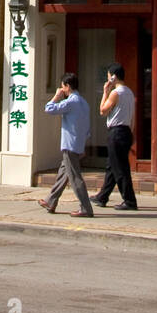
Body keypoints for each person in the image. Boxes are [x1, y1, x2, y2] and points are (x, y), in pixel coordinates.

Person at [39, 72, 94, 218]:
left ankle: (86, 208)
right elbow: (87, 126)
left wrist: (56, 96)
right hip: (78, 143)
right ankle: (50, 201)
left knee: (75, 177)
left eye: (62, 86)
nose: (61, 89)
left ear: (67, 86)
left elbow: (49, 109)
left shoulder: (71, 101)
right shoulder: (84, 102)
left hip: (70, 144)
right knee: (63, 173)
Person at [91, 63, 138, 210]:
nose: (108, 78)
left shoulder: (115, 93)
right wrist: (131, 132)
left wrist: (105, 92)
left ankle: (130, 201)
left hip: (116, 132)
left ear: (113, 77)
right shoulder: (129, 93)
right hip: (126, 131)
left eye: (109, 76)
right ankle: (102, 196)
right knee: (112, 166)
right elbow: (133, 117)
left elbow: (102, 111)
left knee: (120, 169)